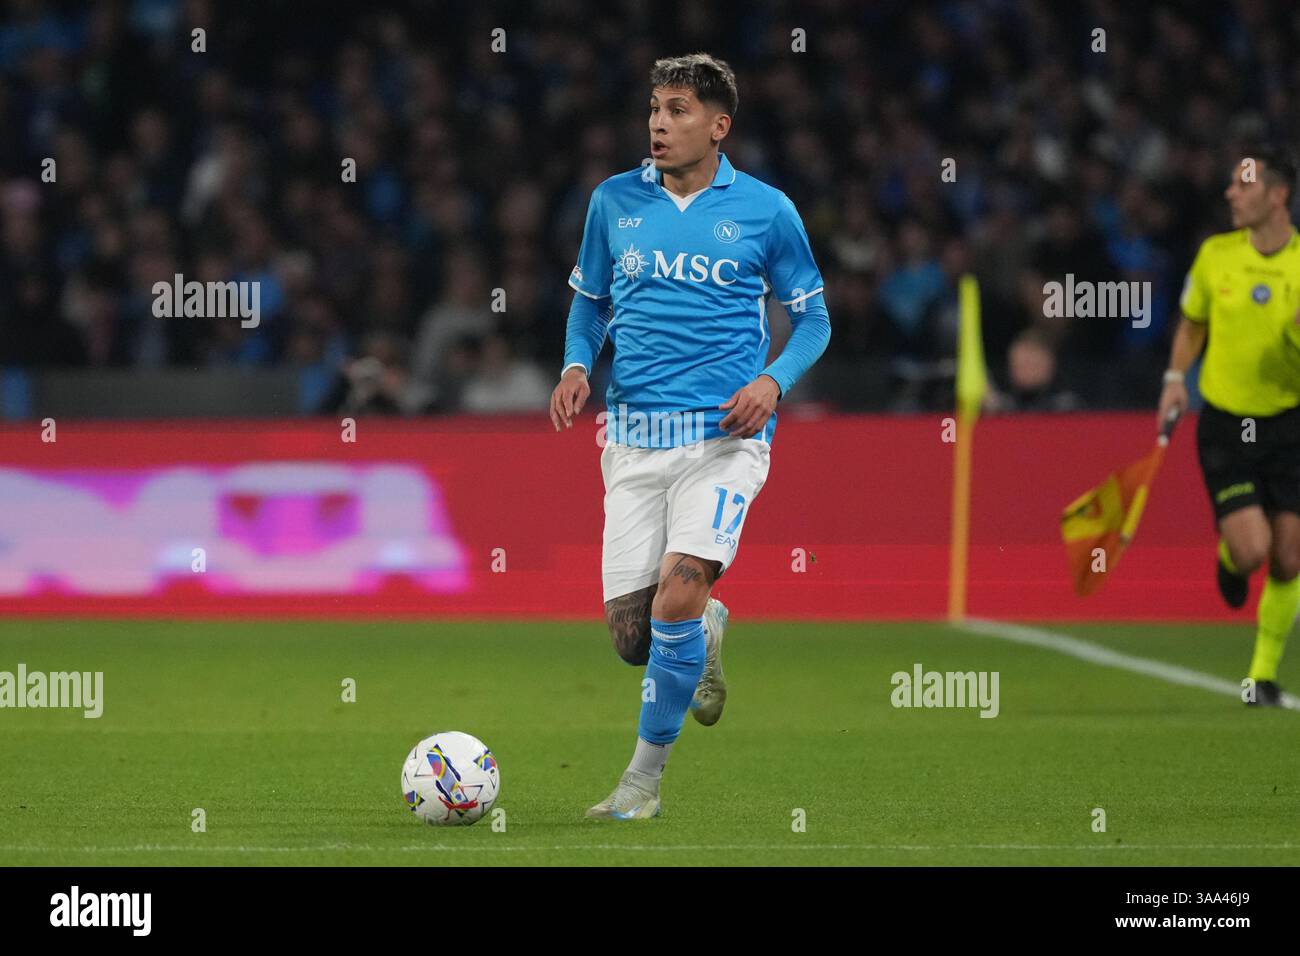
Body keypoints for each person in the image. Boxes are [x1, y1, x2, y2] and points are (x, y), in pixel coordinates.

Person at [550, 53, 831, 818]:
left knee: (675, 593)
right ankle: (705, 624)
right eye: (654, 108)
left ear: (718, 125)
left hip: (723, 440)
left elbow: (813, 319)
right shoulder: (613, 201)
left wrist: (772, 382)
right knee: (632, 639)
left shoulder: (768, 210)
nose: (659, 123)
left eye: (677, 110)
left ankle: (641, 785)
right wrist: (576, 366)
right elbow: (590, 303)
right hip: (632, 439)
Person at [1157, 148, 1300, 707]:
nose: (1230, 194)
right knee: (1253, 552)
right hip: (1227, 424)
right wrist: (1175, 378)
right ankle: (1229, 558)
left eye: (1243, 185)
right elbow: (1193, 322)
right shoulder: (1216, 255)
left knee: (1290, 557)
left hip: (1289, 423)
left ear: (1278, 195)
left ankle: (1260, 676)